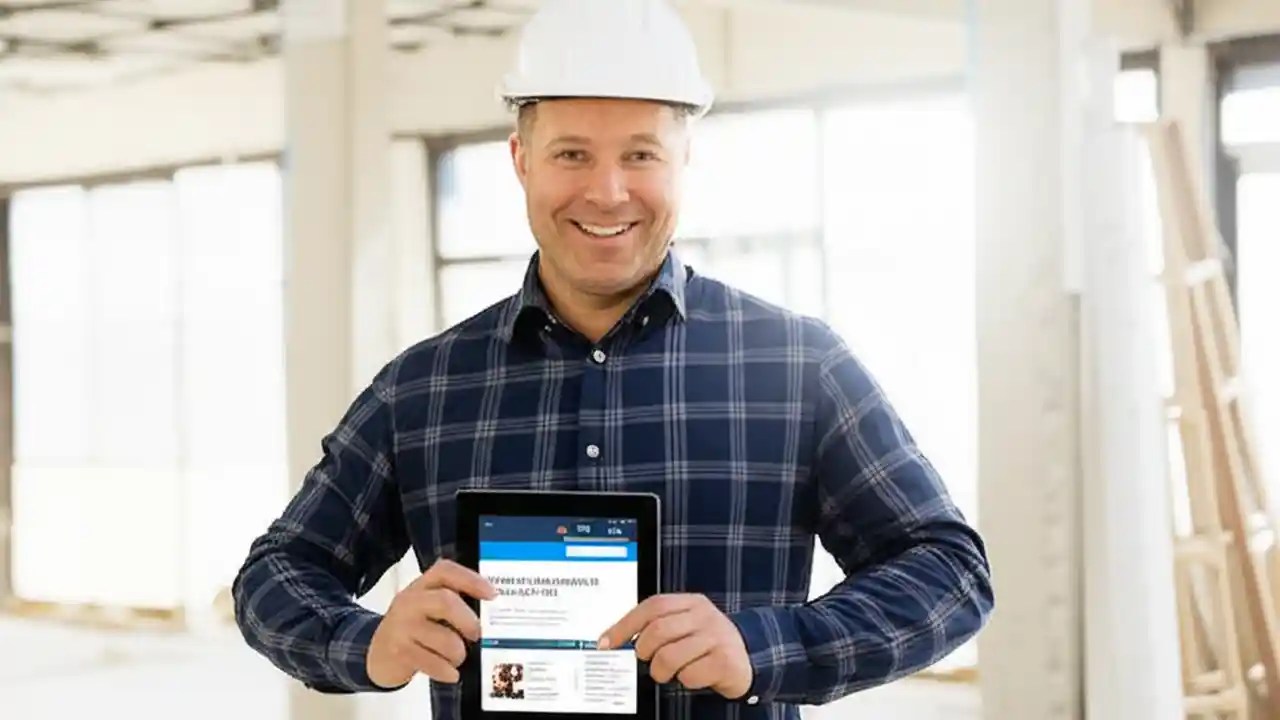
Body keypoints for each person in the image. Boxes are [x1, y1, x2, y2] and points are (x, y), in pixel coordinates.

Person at [232, 0, 994, 718]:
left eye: (640, 154)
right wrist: (368, 643)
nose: (607, 191)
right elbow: (276, 573)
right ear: (520, 160)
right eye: (571, 154)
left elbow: (948, 572)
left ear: (684, 159)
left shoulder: (798, 366)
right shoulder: (423, 389)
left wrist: (766, 646)